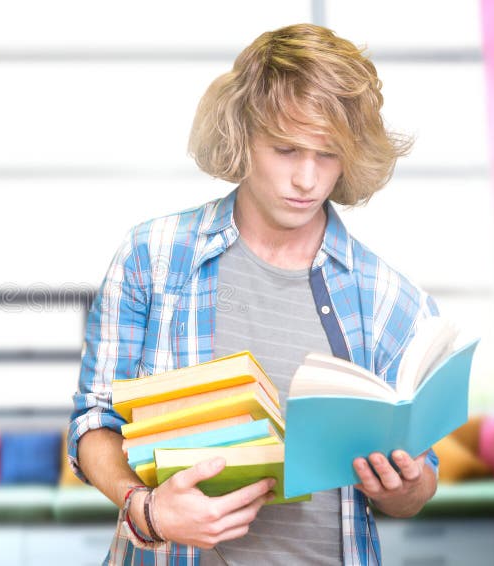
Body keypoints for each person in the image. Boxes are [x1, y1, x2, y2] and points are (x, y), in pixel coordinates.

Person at [67, 23, 439, 566]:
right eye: (286, 149)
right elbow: (93, 420)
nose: (307, 179)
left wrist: (403, 489)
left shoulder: (390, 300)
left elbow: (420, 480)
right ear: (243, 135)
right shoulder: (153, 256)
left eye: (328, 154)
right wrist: (146, 509)